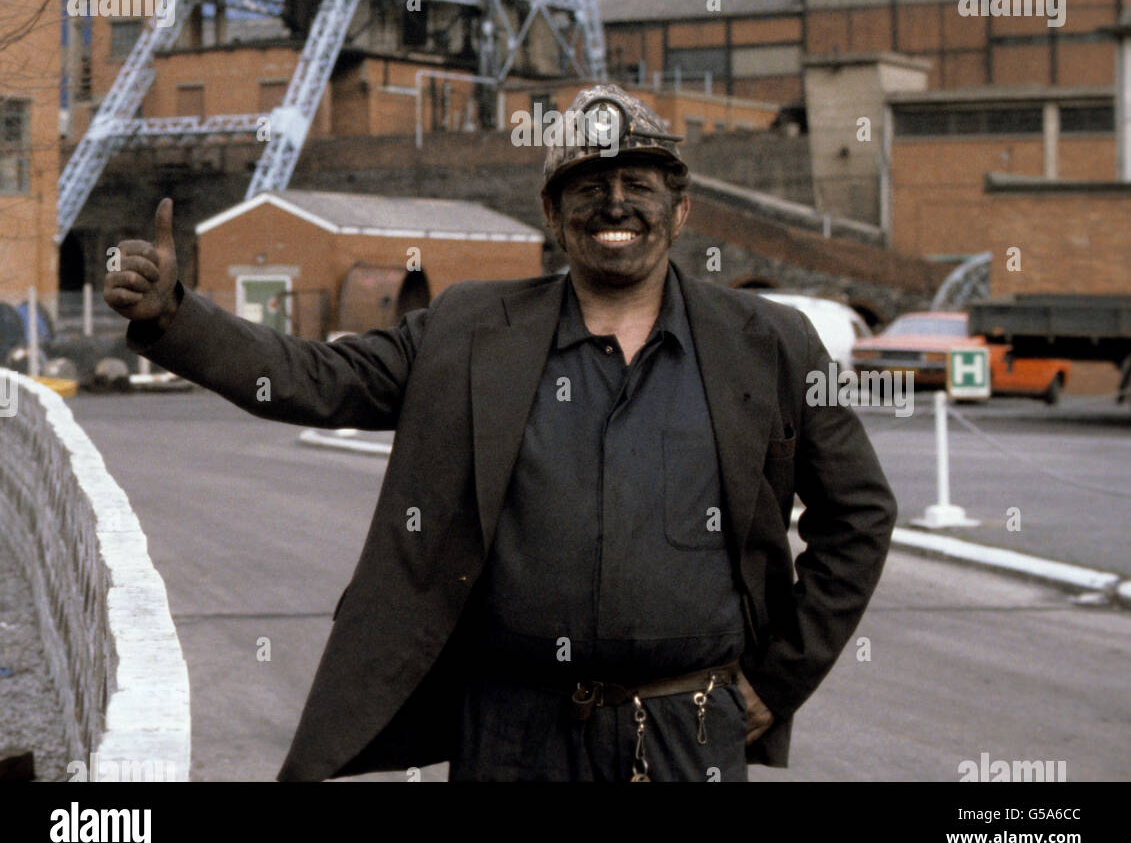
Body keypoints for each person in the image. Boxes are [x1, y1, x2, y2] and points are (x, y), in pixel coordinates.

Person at [104, 83, 897, 782]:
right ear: (551, 213)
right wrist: (176, 317)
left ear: (679, 210)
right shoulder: (469, 330)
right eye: (586, 185)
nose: (613, 203)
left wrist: (777, 680)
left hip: (686, 732)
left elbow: (857, 515)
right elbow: (314, 378)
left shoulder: (769, 344)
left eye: (637, 184)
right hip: (509, 734)